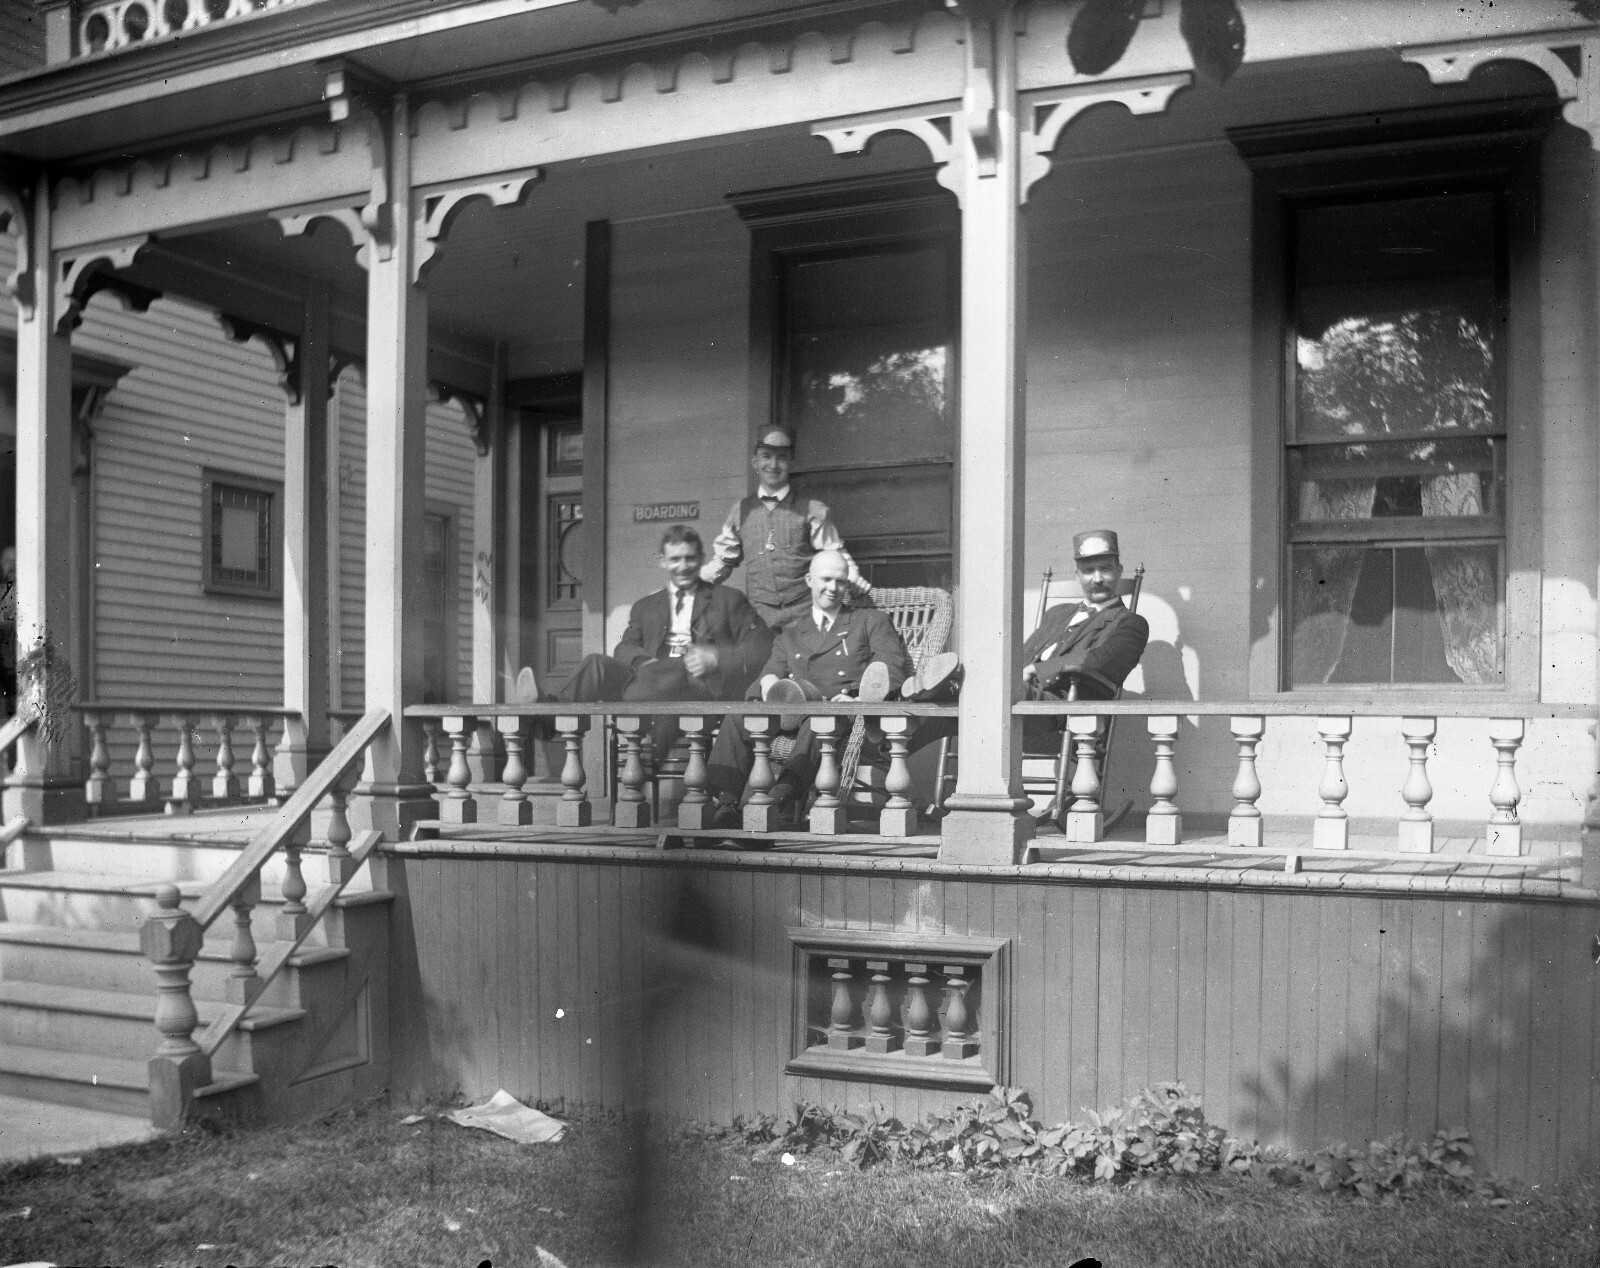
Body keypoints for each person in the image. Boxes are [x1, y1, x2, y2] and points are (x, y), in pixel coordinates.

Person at [705, 550, 911, 825]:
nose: (834, 588)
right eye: (826, 579)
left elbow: (890, 668)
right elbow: (768, 675)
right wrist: (767, 685)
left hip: (842, 714)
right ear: (809, 579)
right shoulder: (791, 634)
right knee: (738, 717)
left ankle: (780, 800)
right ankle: (724, 804)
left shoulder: (869, 621)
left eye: (841, 581)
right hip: (794, 709)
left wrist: (859, 697)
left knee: (820, 719)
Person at [524, 525, 768, 753]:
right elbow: (624, 648)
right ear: (662, 561)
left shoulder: (728, 600)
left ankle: (647, 711)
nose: (683, 567)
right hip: (648, 686)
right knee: (595, 663)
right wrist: (643, 663)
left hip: (697, 689)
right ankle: (547, 719)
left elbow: (762, 646)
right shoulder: (646, 606)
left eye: (690, 558)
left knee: (675, 671)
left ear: (701, 559)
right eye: (675, 559)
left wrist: (717, 658)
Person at [700, 424, 867, 631]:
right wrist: (690, 585)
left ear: (792, 463)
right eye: (766, 456)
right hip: (758, 622)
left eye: (782, 457)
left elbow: (835, 554)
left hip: (805, 618)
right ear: (755, 461)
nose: (773, 464)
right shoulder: (741, 511)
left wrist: (853, 577)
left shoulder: (813, 509)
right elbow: (723, 560)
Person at [1020, 529, 1148, 749]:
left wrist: (1035, 670)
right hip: (1023, 699)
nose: (1097, 579)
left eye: (1105, 569)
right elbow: (1021, 656)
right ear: (1077, 574)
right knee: (950, 703)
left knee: (981, 700)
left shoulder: (1130, 623)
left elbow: (1101, 660)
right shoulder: (1057, 613)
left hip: (1063, 713)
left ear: (1118, 571)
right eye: (1088, 571)